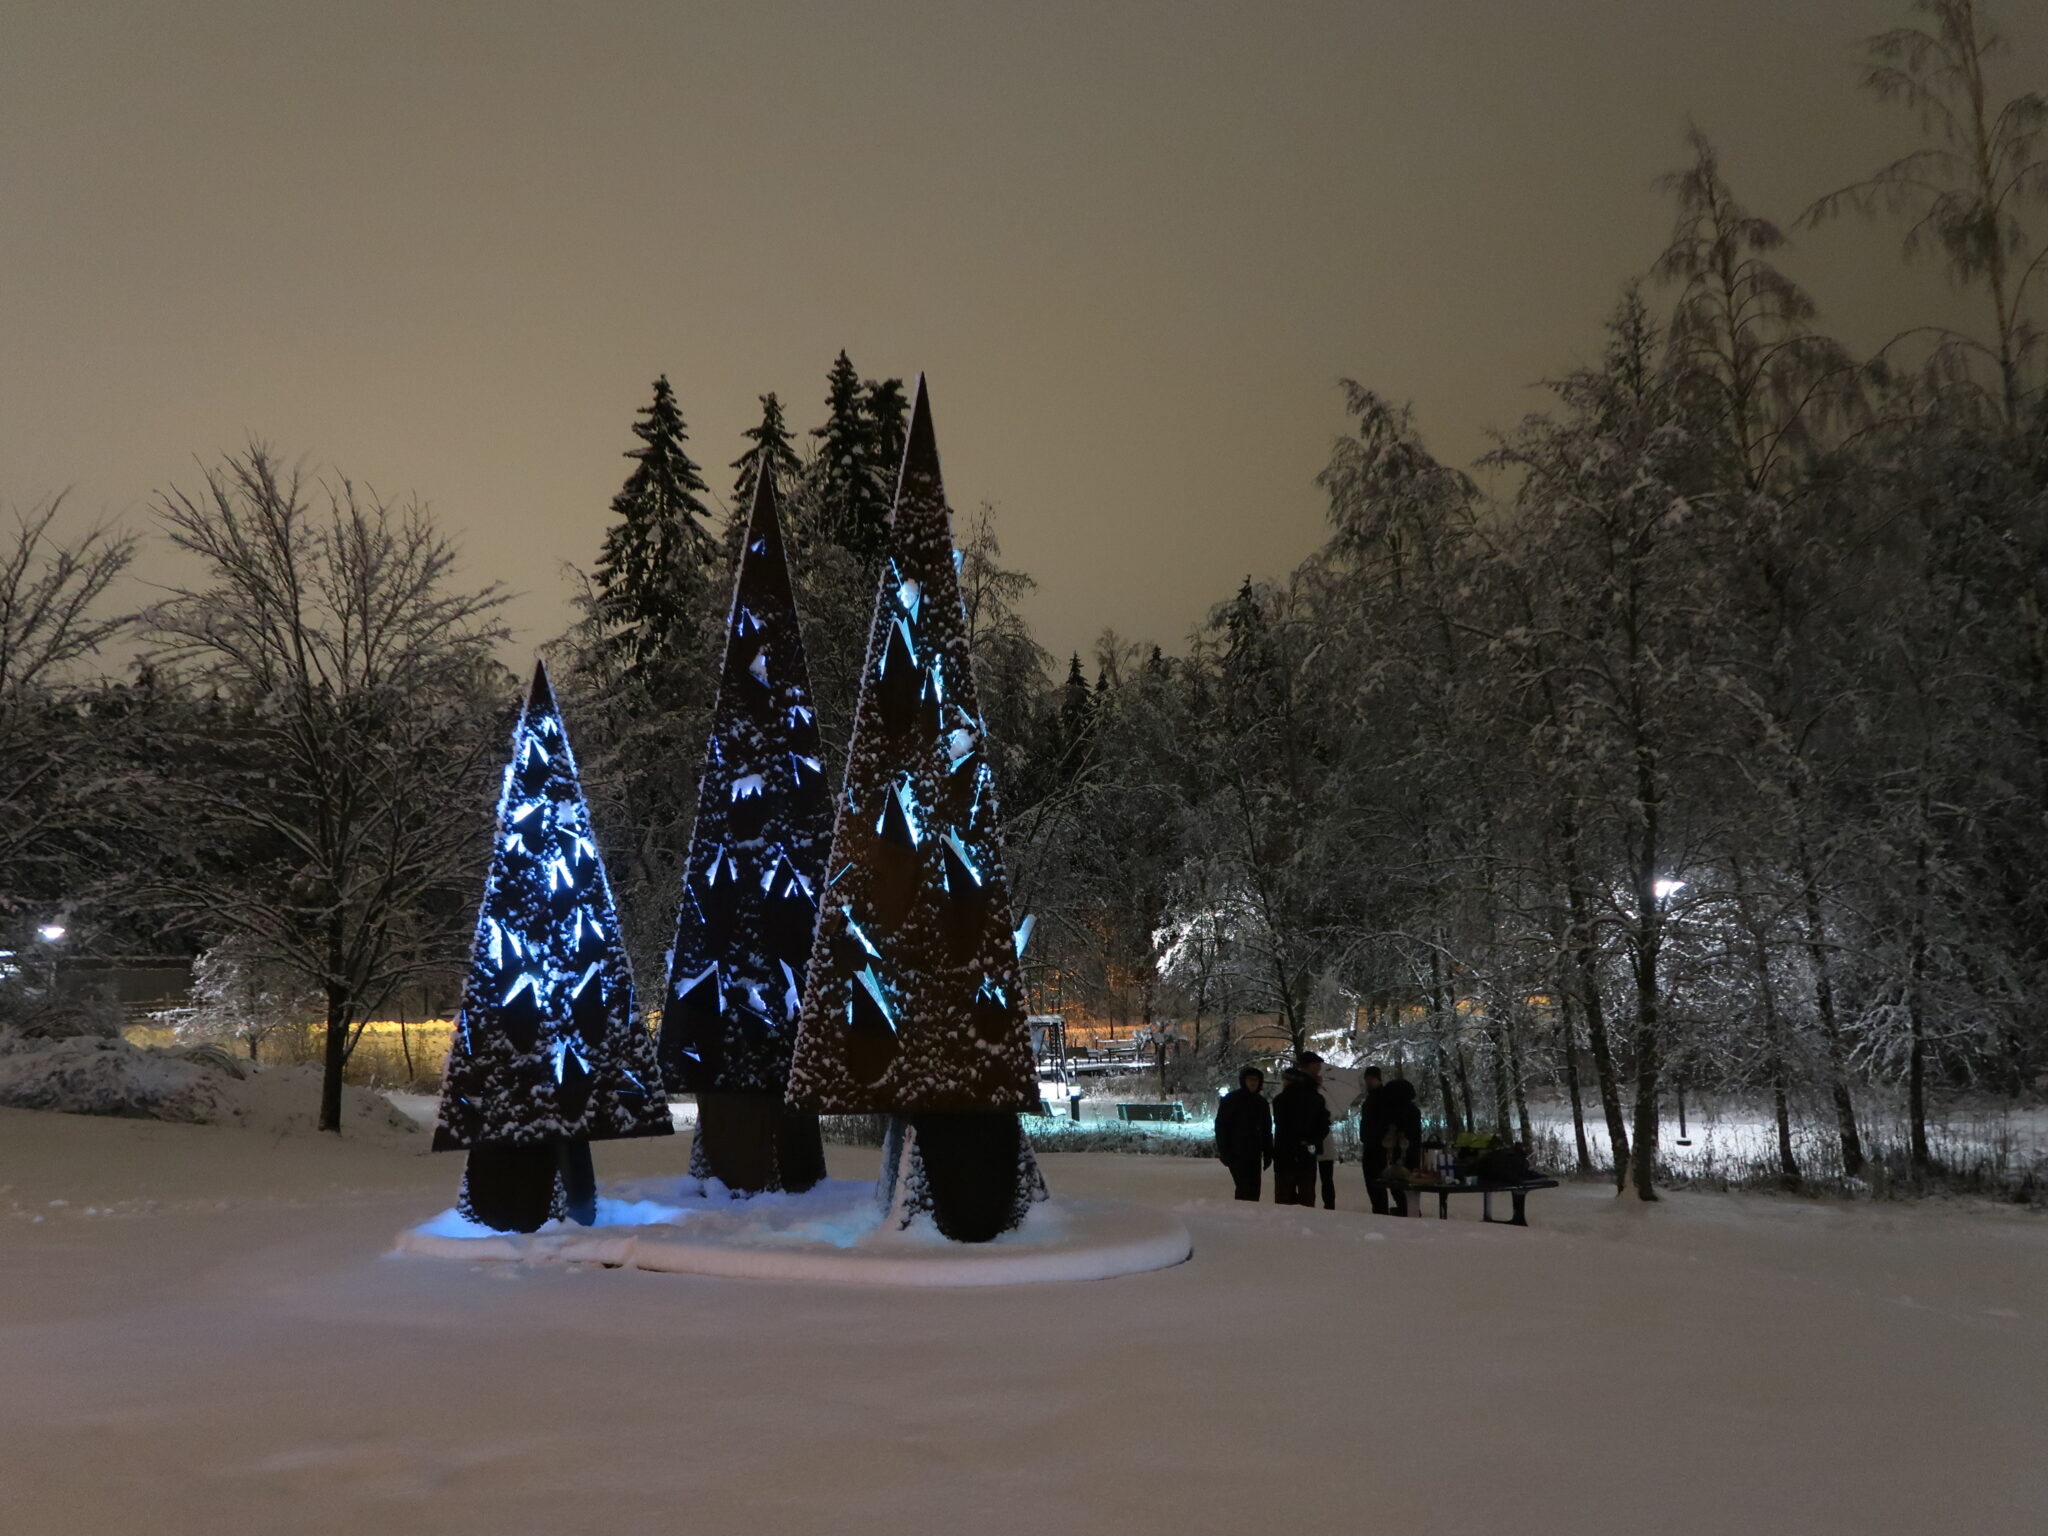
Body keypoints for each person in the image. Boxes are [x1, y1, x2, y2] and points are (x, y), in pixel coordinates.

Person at [1271, 1055, 1331, 1207]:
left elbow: (1281, 1124)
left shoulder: (1280, 1100)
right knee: (1307, 1196)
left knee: (1284, 1197)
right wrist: (1311, 1140)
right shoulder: (1316, 1098)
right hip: (1307, 1153)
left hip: (1284, 1154)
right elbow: (1323, 1126)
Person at [1360, 1073, 1421, 1216]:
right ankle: (1408, 1210)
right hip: (1405, 1157)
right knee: (1401, 1189)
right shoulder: (1412, 1111)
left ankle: (1383, 1212)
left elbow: (1373, 1131)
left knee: (1378, 1188)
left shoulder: (1385, 1108)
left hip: (1380, 1154)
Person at [1212, 1066, 1273, 1201]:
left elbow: (1266, 1129)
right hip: (1236, 1152)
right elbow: (1221, 1127)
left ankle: (1251, 1216)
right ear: (1243, 1081)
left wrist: (1268, 1152)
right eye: (1250, 1079)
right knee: (1243, 1188)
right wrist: (1224, 1152)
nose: (1253, 1083)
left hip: (1255, 1153)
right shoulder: (1231, 1100)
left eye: (1256, 1080)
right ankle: (1241, 1216)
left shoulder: (1261, 1103)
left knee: (1254, 1188)